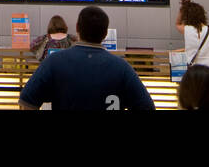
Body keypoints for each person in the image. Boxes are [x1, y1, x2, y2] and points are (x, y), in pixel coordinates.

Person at [19, 6, 155, 111]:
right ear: (105, 33)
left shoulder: (54, 62)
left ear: (77, 28)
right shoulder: (122, 67)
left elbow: (26, 102)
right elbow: (146, 107)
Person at [176, 0, 209, 71]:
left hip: (193, 69)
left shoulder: (186, 29)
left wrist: (183, 9)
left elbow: (178, 23)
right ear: (202, 15)